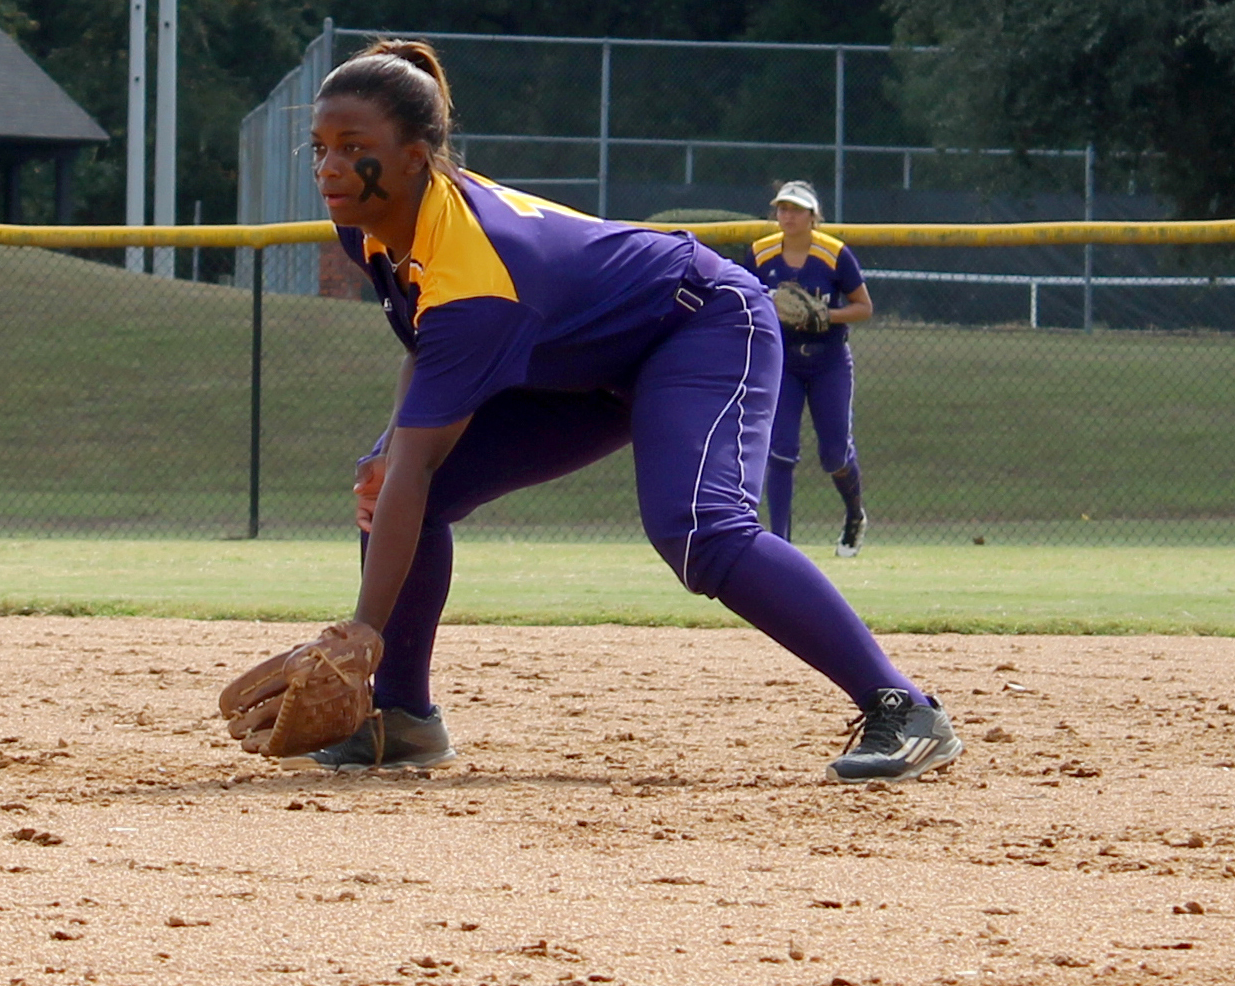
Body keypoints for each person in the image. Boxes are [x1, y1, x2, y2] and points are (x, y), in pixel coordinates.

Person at [288, 38, 961, 783]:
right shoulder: (368, 222)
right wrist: (392, 444)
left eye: (354, 147)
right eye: (319, 147)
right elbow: (425, 340)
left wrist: (362, 632)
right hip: (587, 364)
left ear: (416, 156)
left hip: (696, 320)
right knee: (403, 493)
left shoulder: (472, 266)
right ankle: (405, 719)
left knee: (699, 527)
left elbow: (446, 355)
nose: (329, 167)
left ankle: (902, 705)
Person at [739, 182, 874, 556]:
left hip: (828, 362)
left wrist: (825, 316)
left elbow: (864, 307)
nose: (788, 215)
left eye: (796, 209)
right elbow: (744, 298)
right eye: (782, 208)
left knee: (834, 454)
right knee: (780, 450)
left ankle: (854, 516)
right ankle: (781, 547)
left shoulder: (833, 255)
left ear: (813, 216)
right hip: (782, 364)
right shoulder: (761, 253)